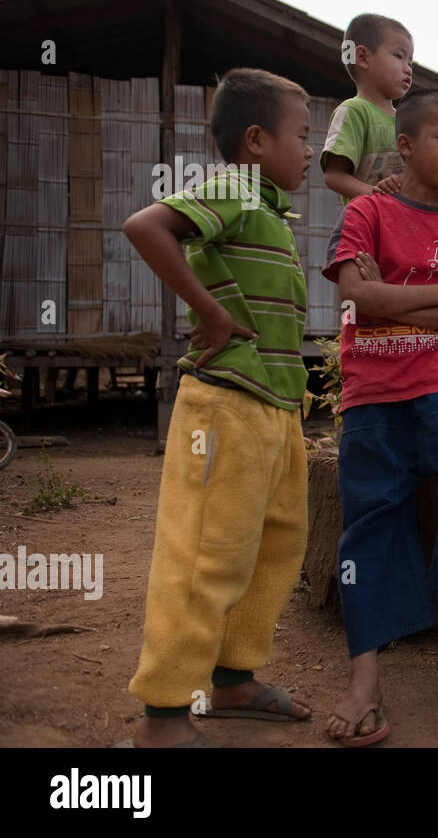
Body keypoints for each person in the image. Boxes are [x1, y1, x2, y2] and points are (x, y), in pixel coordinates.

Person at [120, 68, 316, 747]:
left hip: (274, 408)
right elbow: (146, 226)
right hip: (226, 406)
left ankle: (234, 678)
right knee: (204, 555)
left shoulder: (269, 211)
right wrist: (206, 311)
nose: (311, 150)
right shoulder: (231, 188)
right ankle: (165, 715)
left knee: (271, 549)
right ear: (256, 141)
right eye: (302, 135)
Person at [321, 89, 438, 746]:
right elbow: (354, 293)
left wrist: (390, 298)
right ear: (404, 145)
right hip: (371, 383)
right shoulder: (367, 210)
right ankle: (364, 674)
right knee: (370, 514)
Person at [321, 13, 414, 204]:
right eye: (399, 56)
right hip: (365, 226)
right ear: (363, 57)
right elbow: (333, 175)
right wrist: (373, 193)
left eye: (410, 62)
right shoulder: (354, 111)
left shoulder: (407, 120)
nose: (408, 69)